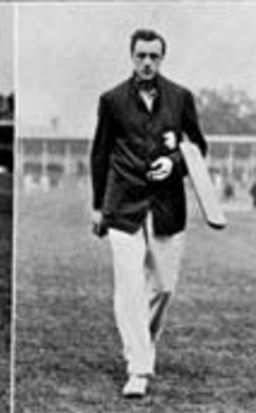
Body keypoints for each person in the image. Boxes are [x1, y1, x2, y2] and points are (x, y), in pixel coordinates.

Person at [90, 28, 206, 399]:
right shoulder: (111, 100)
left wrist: (174, 163)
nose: (147, 63)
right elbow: (100, 153)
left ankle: (145, 343)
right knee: (129, 288)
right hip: (123, 205)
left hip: (167, 207)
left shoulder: (181, 98)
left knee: (165, 286)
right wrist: (97, 206)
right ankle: (138, 368)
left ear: (162, 58)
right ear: (131, 56)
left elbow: (197, 147)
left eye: (154, 56)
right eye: (141, 55)